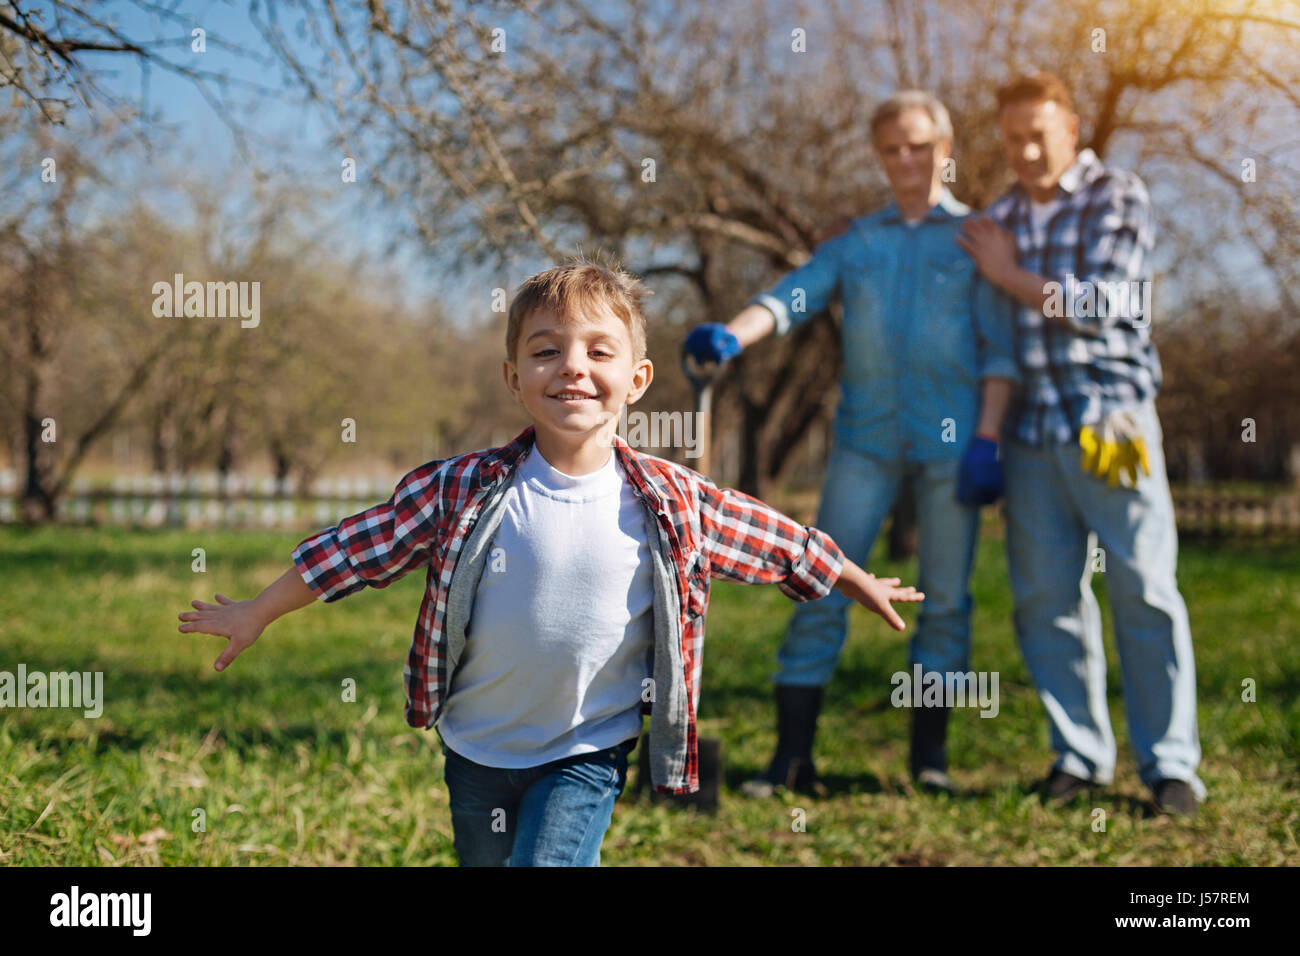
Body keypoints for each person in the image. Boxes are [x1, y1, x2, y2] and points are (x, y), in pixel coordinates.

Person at [176, 261, 923, 866]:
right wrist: (255, 612)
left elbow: (769, 537)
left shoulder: (670, 499)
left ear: (636, 380)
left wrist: (850, 575)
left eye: (599, 351)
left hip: (587, 747)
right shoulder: (460, 489)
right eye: (546, 350)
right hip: (476, 746)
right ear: (513, 378)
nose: (572, 367)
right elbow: (353, 551)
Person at [684, 91, 1019, 797]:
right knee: (819, 581)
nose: (907, 160)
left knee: (948, 602)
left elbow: (999, 349)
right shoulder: (855, 243)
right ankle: (790, 761)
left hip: (951, 447)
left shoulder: (978, 237)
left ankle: (930, 763)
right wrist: (731, 337)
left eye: (921, 145)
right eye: (893, 148)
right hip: (865, 443)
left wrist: (987, 439)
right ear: (879, 156)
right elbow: (794, 297)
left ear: (946, 148)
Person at [956, 72, 1205, 816]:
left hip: (1113, 425)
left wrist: (1009, 274)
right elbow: (987, 326)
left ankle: (1170, 767)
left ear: (1070, 127)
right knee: (1044, 599)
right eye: (1013, 138)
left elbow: (1106, 305)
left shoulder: (1115, 195)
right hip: (1032, 437)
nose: (1027, 149)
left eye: (1040, 132)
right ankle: (1080, 757)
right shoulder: (996, 216)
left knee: (1143, 588)